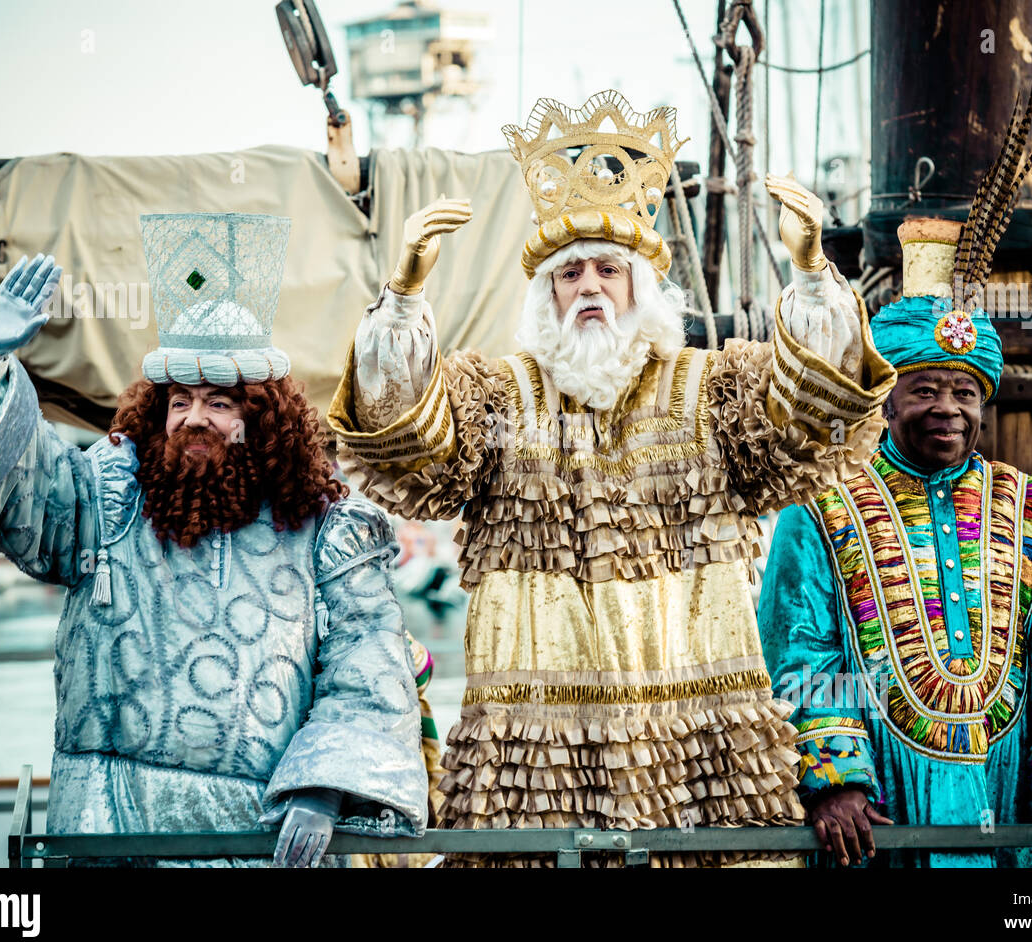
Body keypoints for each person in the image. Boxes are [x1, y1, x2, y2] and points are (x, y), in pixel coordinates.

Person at [327, 90, 896, 866]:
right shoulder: (498, 396)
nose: (589, 286)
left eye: (607, 268)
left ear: (640, 284)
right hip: (536, 763)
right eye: (569, 273)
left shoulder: (711, 389)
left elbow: (812, 419)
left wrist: (812, 275)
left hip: (696, 759)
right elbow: (405, 444)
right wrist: (401, 301)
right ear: (547, 293)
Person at [0, 213, 427, 867]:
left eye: (219, 402)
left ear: (261, 418)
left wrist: (324, 783)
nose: (194, 417)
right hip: (109, 832)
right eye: (180, 400)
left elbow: (368, 663)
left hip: (257, 843)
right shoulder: (103, 499)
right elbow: (17, 493)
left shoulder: (324, 529)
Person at [758, 97, 1032, 865]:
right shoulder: (820, 505)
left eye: (965, 391)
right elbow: (801, 648)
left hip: (1011, 803)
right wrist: (834, 778)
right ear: (886, 397)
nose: (948, 407)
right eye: (926, 388)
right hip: (876, 812)